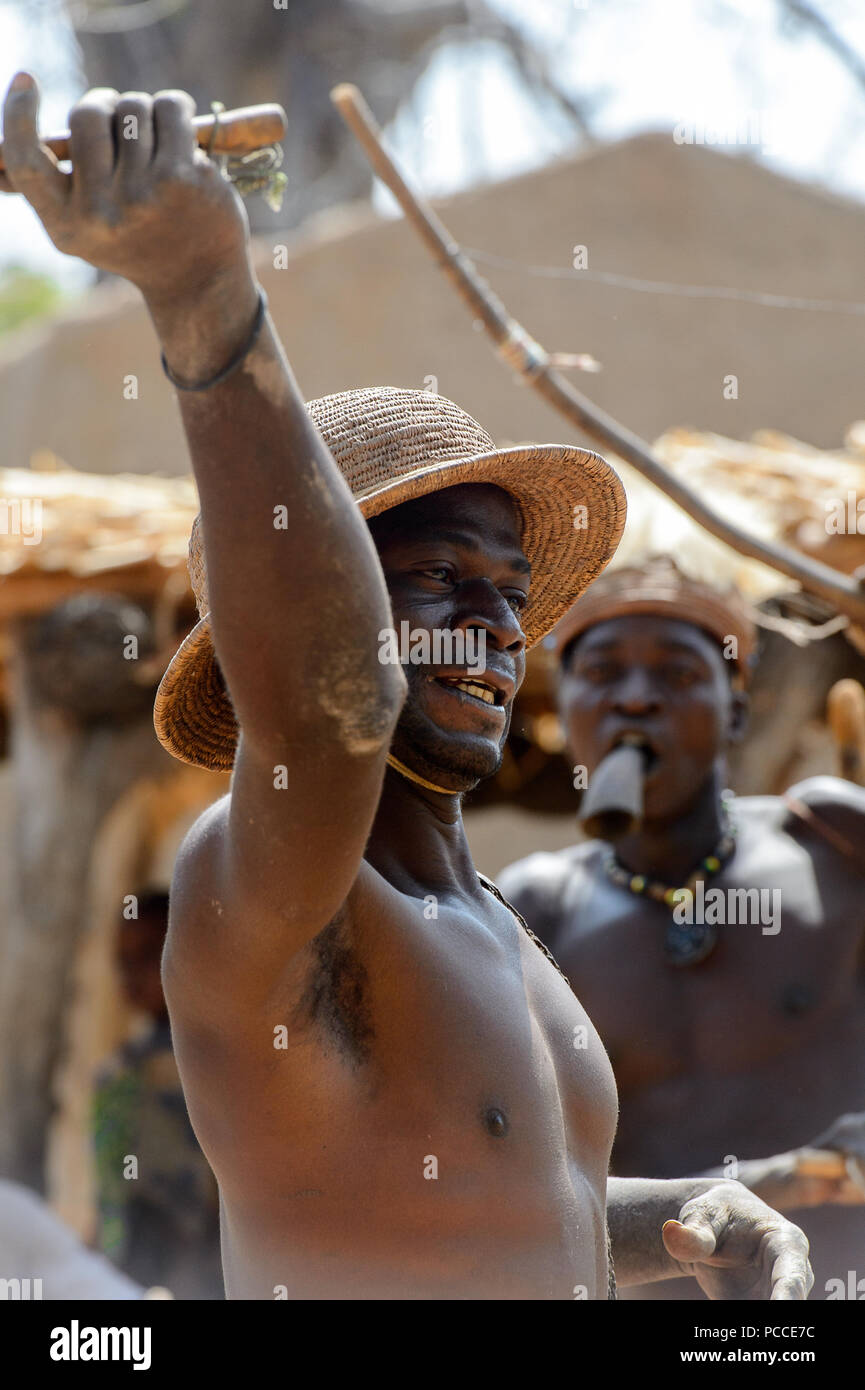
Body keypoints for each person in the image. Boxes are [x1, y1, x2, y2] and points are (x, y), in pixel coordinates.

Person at [1, 73, 814, 1300]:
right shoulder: (275, 887)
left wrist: (690, 1214)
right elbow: (334, 706)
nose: (495, 624)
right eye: (437, 577)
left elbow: (515, 1211)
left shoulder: (488, 916)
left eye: (509, 586)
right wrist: (203, 294)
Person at [499, 556, 865, 1299]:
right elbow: (515, 1180)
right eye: (600, 675)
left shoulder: (827, 843)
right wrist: (745, 1189)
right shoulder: (530, 911)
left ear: (734, 710)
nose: (636, 700)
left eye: (676, 674)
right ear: (562, 711)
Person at [92, 893, 222, 1299]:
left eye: (148, 954)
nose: (131, 974)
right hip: (130, 1252)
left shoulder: (217, 1059)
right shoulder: (118, 1070)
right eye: (123, 961)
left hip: (200, 1251)